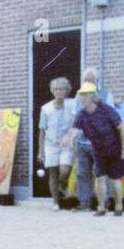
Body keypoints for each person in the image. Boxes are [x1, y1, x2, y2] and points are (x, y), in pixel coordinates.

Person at [64, 84, 124, 217]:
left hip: (114, 148)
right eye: (81, 95)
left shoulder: (106, 110)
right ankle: (101, 208)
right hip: (98, 150)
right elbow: (74, 130)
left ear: (92, 96)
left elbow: (122, 128)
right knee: (99, 178)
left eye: (84, 95)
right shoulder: (81, 114)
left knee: (115, 179)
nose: (81, 98)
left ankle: (119, 206)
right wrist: (69, 140)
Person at [71, 68, 114, 212]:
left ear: (97, 81)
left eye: (90, 80)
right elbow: (76, 116)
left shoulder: (106, 95)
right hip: (82, 142)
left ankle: (105, 202)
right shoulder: (79, 96)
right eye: (86, 80)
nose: (87, 82)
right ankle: (84, 203)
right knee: (82, 173)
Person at [37, 77, 75, 210]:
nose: (59, 92)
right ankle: (55, 202)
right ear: (53, 91)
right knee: (53, 172)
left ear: (67, 91)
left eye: (62, 89)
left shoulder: (72, 105)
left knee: (64, 170)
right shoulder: (46, 109)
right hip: (51, 144)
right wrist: (40, 151)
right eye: (56, 89)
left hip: (66, 144)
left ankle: (63, 184)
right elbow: (42, 131)